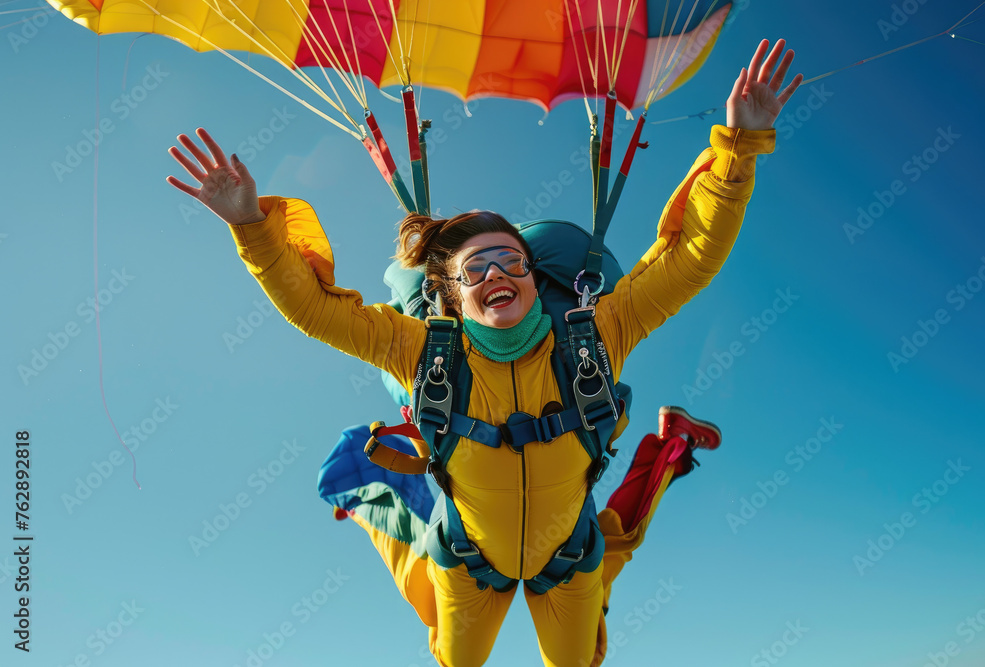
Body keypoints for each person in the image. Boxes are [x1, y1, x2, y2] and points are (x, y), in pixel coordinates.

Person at [168, 38, 802, 667]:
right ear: (450, 292)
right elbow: (313, 310)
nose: (498, 273)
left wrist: (740, 148)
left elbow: (691, 261)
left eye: (512, 262)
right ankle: (400, 481)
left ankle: (664, 452)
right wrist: (251, 225)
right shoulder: (418, 351)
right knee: (456, 662)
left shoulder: (598, 333)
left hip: (567, 561)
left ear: (531, 275)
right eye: (477, 268)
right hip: (468, 563)